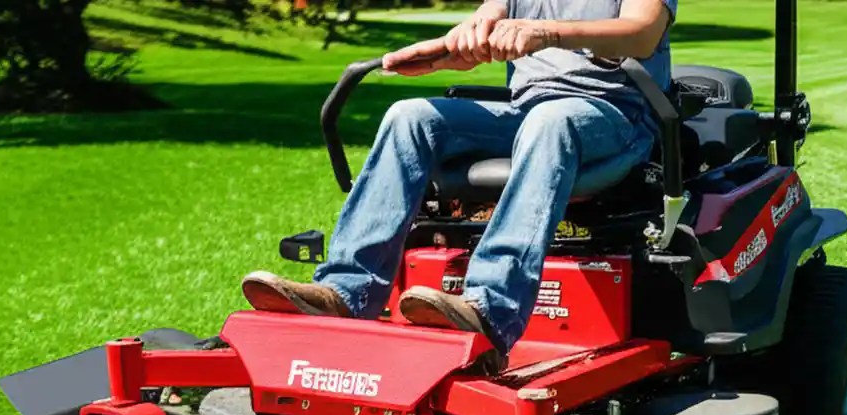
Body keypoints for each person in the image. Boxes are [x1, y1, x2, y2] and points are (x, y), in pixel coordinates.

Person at [241, 0, 677, 370]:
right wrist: (443, 52)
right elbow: (480, 29)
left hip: (616, 119)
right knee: (410, 116)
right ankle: (346, 291)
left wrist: (546, 33)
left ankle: (490, 309)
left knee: (550, 121)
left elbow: (641, 33)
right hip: (528, 113)